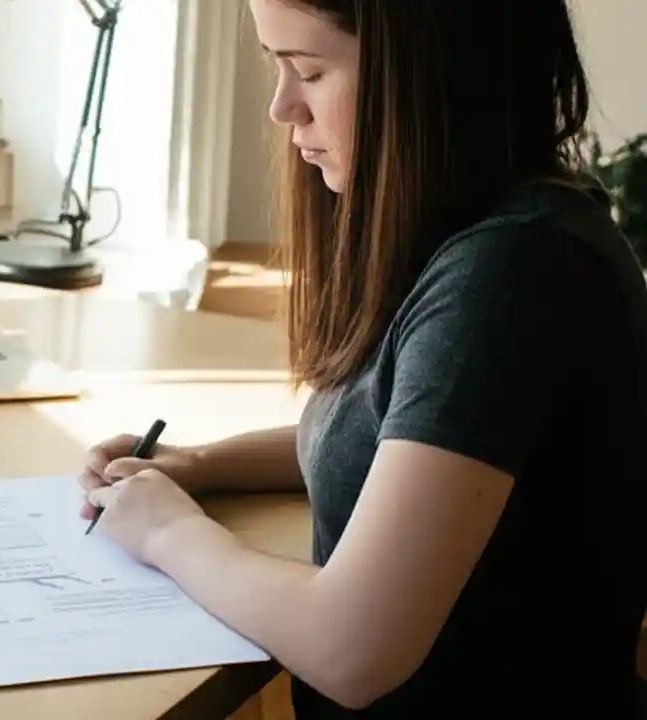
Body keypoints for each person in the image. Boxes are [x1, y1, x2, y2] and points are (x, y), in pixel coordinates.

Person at [79, 1, 647, 717]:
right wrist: (201, 464)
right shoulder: (482, 227)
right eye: (276, 66)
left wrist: (169, 532)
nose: (283, 108)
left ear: (436, 72)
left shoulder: (510, 273)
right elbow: (400, 435)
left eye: (310, 72)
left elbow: (353, 648)